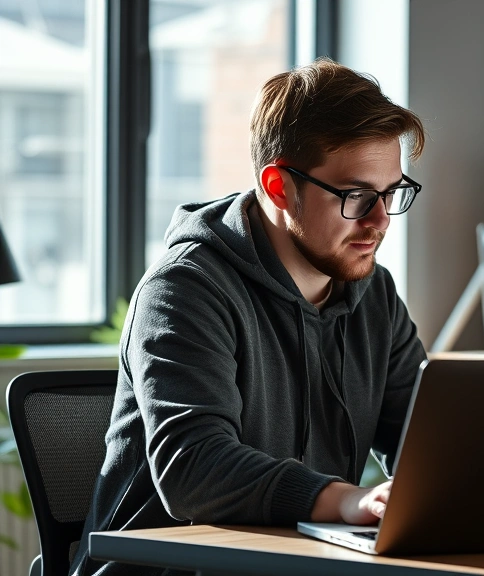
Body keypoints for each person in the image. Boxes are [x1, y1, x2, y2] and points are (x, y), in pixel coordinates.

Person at [72, 58, 427, 576]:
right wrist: (346, 501)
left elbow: (424, 445)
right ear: (280, 187)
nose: (379, 220)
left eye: (392, 193)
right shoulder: (185, 288)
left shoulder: (373, 292)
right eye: (356, 196)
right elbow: (193, 468)